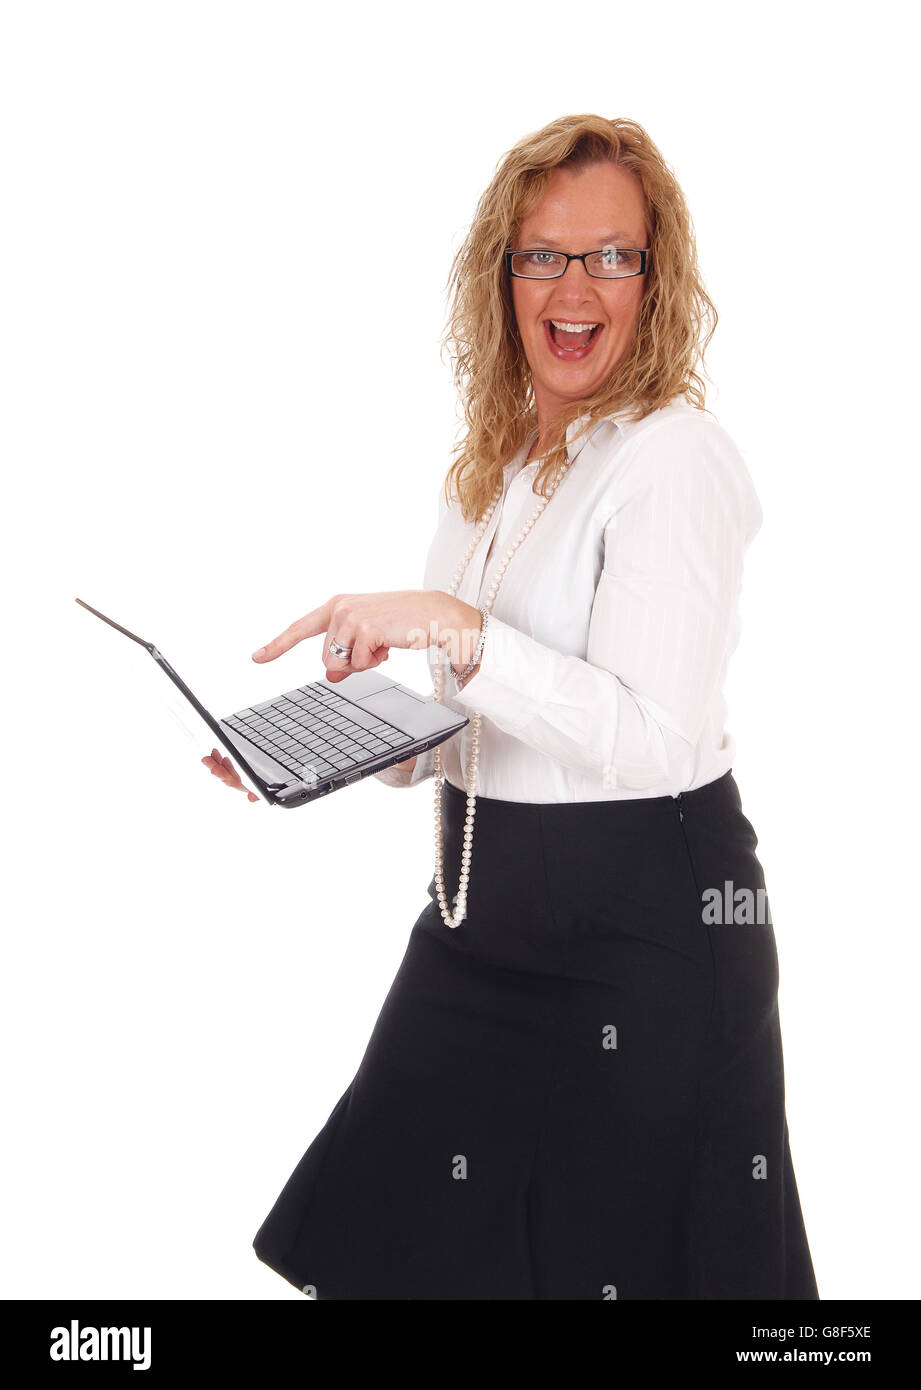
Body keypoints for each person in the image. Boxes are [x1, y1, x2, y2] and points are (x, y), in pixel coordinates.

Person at [204, 114, 819, 1300]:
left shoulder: (671, 457)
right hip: (477, 926)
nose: (575, 286)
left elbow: (649, 737)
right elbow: (483, 721)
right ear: (504, 275)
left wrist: (453, 624)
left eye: (612, 255)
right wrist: (342, 749)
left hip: (645, 937)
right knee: (393, 1251)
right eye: (544, 254)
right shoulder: (493, 465)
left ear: (657, 276)